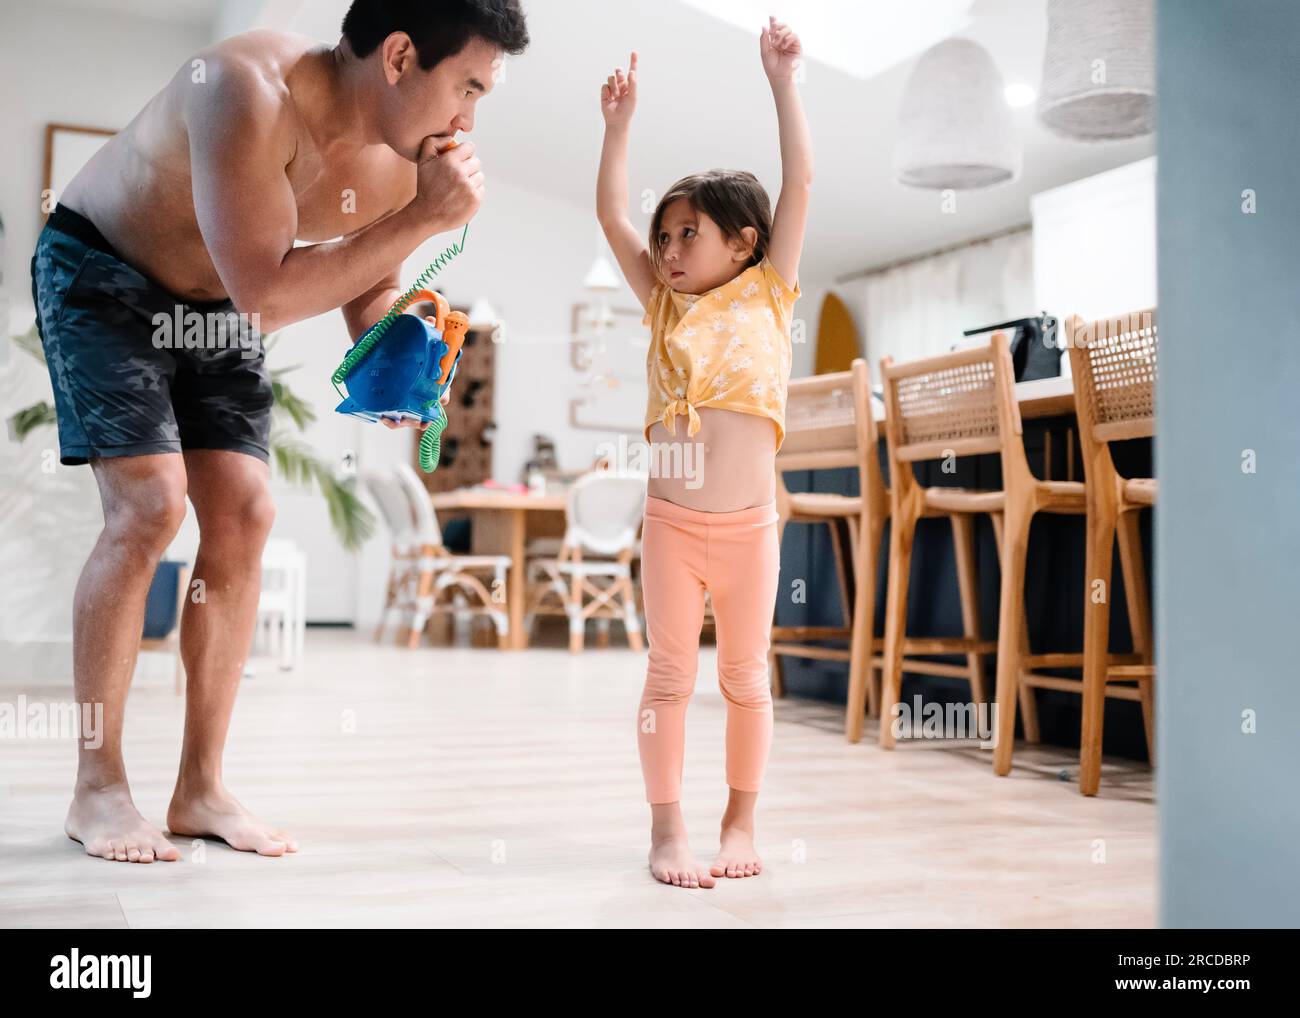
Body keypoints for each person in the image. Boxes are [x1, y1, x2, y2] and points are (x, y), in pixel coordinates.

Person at [29, 0, 528, 863]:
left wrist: (402, 356)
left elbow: (365, 290)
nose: (469, 120)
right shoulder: (242, 87)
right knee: (150, 504)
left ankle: (200, 789)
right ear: (402, 55)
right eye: (469, 88)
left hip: (218, 300)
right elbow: (265, 296)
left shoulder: (408, 164)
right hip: (101, 270)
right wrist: (423, 219)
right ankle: (98, 788)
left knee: (248, 510)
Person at [595, 17, 812, 888]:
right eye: (668, 234)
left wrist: (782, 81)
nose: (670, 249)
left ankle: (739, 822)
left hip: (751, 528)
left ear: (745, 243)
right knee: (668, 677)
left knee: (746, 678)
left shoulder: (771, 294)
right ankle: (667, 830)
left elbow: (800, 180)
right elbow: (613, 213)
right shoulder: (662, 307)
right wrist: (618, 130)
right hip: (674, 525)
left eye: (691, 234)